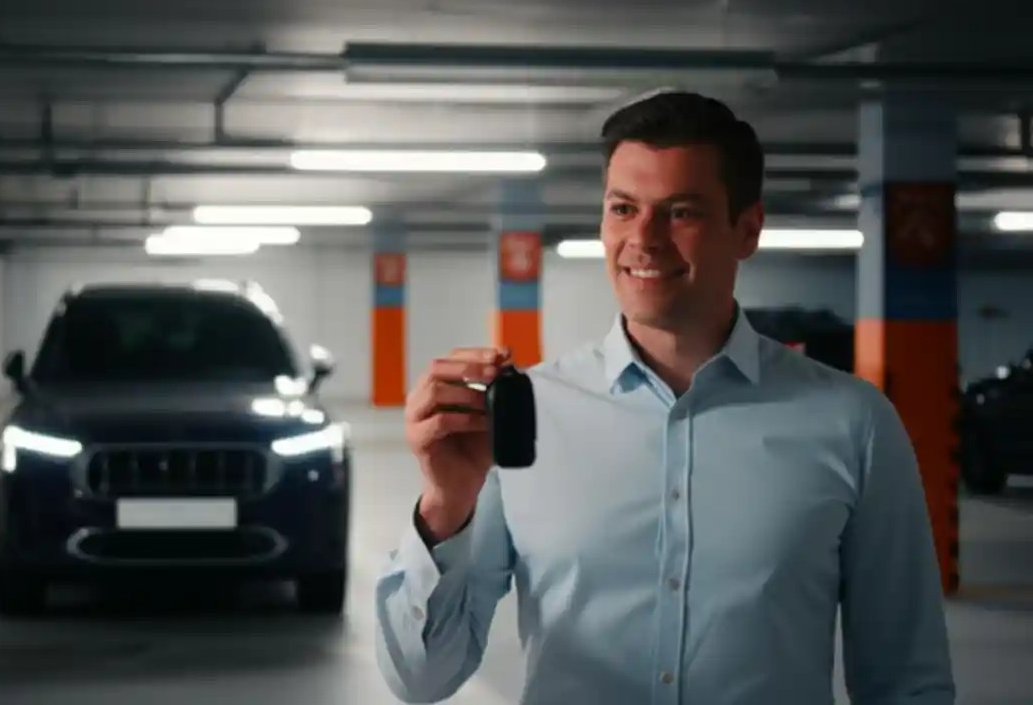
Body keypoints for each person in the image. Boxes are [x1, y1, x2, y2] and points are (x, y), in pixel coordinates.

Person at [373, 91, 955, 704]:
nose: (643, 239)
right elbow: (423, 679)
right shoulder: (523, 417)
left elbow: (906, 681)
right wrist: (446, 503)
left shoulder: (851, 423)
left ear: (748, 229)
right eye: (623, 208)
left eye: (680, 212)